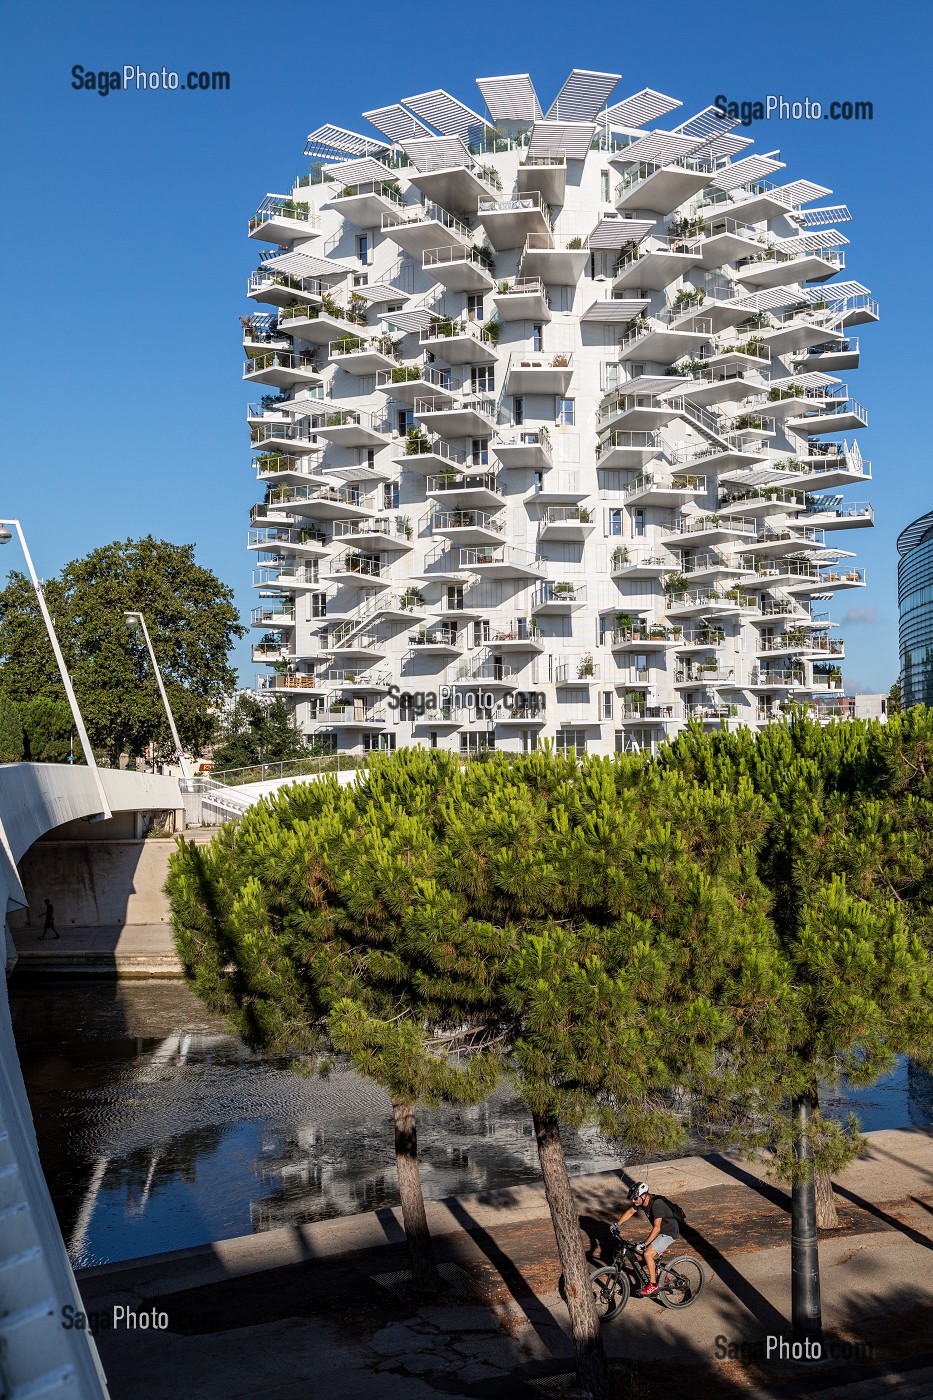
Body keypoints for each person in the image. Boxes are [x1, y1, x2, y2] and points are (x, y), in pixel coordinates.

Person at [611, 1181, 680, 1297]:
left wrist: (645, 1243)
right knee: (641, 1251)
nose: (633, 1201)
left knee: (647, 1254)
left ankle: (653, 1285)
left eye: (635, 1198)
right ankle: (663, 1276)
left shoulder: (657, 1204)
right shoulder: (642, 1203)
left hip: (669, 1232)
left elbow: (657, 1228)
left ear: (644, 1196)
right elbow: (630, 1212)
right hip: (661, 1231)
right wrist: (617, 1224)